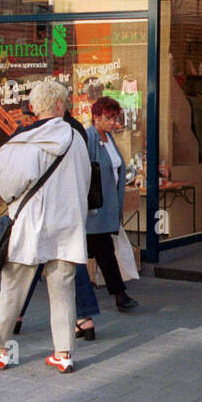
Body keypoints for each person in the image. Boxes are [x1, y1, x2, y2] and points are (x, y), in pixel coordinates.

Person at [0, 79, 90, 373]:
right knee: (62, 290)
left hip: (30, 226)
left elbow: (6, 185)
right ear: (61, 105)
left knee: (12, 288)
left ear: (33, 106)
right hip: (66, 227)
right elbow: (85, 182)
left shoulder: (22, 140)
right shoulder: (76, 139)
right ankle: (64, 354)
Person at [85, 93, 139, 316]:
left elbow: (116, 167)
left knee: (93, 251)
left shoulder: (109, 138)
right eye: (109, 118)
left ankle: (91, 290)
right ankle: (120, 295)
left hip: (108, 205)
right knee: (104, 251)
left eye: (115, 118)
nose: (113, 123)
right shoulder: (89, 137)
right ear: (96, 117)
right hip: (95, 208)